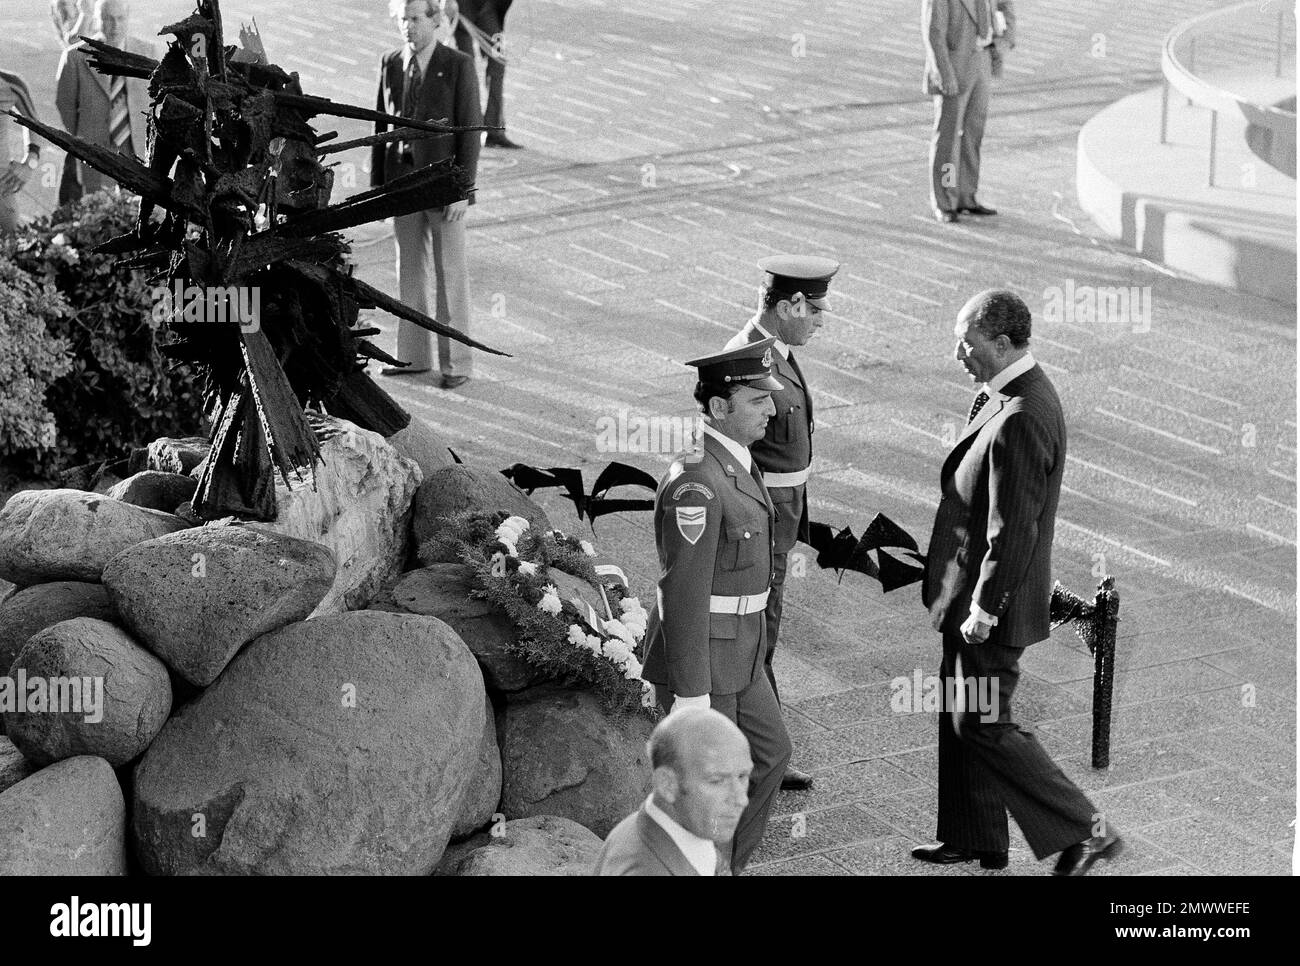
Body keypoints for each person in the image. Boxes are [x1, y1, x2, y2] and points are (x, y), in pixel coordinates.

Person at [912, 289, 1122, 876]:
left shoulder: (1024, 414)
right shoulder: (1004, 393)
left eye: (968, 342)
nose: (958, 352)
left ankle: (1087, 833)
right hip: (965, 590)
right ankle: (973, 836)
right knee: (961, 712)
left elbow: (1015, 529)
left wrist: (985, 607)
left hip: (990, 600)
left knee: (983, 723)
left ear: (1002, 344)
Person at [641, 337, 793, 874]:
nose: (772, 409)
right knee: (712, 794)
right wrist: (691, 695)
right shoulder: (696, 484)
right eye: (757, 400)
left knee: (771, 755)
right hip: (707, 658)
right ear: (719, 408)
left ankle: (727, 868)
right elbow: (681, 594)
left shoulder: (735, 461)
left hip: (742, 653)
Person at [722, 254, 839, 792]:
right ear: (790, 304)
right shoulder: (748, 361)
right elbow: (731, 452)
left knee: (765, 627)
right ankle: (756, 751)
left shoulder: (776, 354)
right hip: (759, 523)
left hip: (779, 519)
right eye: (815, 309)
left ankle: (757, 745)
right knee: (757, 631)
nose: (820, 319)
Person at [373, 0, 483, 390]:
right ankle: (413, 358)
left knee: (450, 275)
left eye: (417, 19)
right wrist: (380, 193)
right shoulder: (389, 62)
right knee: (409, 275)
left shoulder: (457, 65)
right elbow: (381, 127)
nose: (408, 27)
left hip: (443, 189)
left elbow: (470, 131)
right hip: (403, 187)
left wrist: (462, 190)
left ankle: (457, 364)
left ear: (436, 20)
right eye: (403, 19)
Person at [592, 707, 751, 876]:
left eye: (742, 776)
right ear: (667, 784)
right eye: (717, 781)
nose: (741, 799)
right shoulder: (646, 869)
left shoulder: (683, 829)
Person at [922, 0, 1015, 222]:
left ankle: (967, 196)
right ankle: (945, 200)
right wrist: (944, 74)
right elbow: (933, 32)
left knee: (974, 133)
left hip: (982, 59)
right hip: (955, 65)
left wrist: (1005, 40)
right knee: (948, 138)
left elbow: (1005, 7)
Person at [54, 0, 152, 199]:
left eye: (120, 19)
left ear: (128, 18)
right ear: (97, 20)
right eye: (108, 19)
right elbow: (65, 105)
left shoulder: (147, 52)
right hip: (97, 156)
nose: (115, 26)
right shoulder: (75, 57)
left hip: (139, 154)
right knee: (101, 219)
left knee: (140, 217)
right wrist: (85, 137)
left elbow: (156, 103)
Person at [453, 0, 520, 149]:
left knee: (498, 61)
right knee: (466, 65)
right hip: (462, 6)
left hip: (488, 6)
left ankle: (493, 129)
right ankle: (468, 127)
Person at [0, 71, 47, 235]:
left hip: (2, 191)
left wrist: (30, 164)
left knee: (11, 249)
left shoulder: (10, 84)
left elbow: (36, 126)